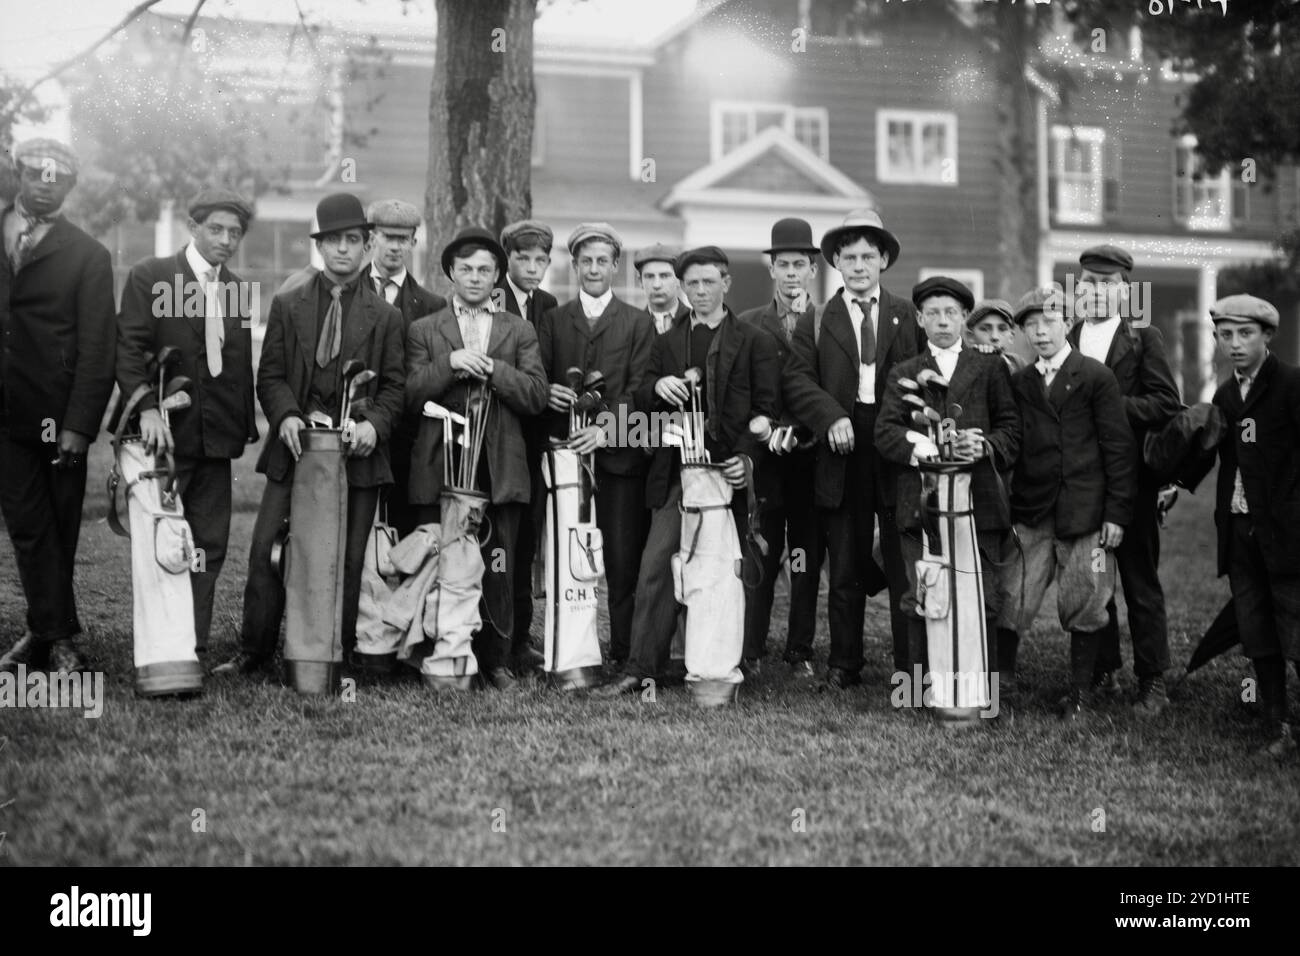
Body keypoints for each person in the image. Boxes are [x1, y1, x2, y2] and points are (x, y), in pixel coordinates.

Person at [214, 193, 406, 676]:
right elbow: (270, 374)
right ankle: (254, 651)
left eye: (353, 240)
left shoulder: (385, 317)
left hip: (356, 458)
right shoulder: (288, 301)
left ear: (366, 247)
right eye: (333, 241)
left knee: (345, 556)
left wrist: (373, 425)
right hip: (296, 450)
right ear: (319, 246)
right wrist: (287, 416)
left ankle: (330, 654)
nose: (343, 250)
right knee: (268, 551)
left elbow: (395, 388)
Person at [596, 246, 779, 696]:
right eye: (691, 283)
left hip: (729, 479)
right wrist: (658, 386)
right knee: (655, 566)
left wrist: (747, 460)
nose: (699, 291)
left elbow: (767, 412)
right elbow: (640, 400)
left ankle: (725, 665)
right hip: (678, 475)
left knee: (725, 575)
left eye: (708, 282)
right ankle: (642, 668)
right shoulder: (666, 341)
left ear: (726, 284)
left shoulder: (755, 341)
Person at [782, 209, 923, 690]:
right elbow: (797, 380)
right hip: (840, 447)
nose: (859, 265)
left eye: (868, 256)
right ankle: (845, 663)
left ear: (884, 259)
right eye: (849, 257)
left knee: (904, 563)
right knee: (844, 562)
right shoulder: (818, 319)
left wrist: (903, 427)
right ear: (836, 263)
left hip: (894, 447)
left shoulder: (907, 316)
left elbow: (920, 380)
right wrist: (831, 418)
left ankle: (911, 666)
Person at [114, 187, 260, 654]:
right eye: (215, 229)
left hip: (215, 443)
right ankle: (161, 650)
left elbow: (235, 365)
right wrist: (148, 409)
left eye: (234, 232)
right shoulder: (153, 277)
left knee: (208, 547)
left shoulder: (236, 289)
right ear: (192, 228)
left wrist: (240, 429)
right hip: (165, 443)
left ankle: (189, 648)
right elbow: (130, 348)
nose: (225, 240)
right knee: (164, 542)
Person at [405, 226, 548, 691]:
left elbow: (536, 395)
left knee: (499, 561)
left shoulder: (518, 329)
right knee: (444, 557)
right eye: (465, 269)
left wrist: (493, 369)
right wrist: (449, 365)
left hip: (499, 465)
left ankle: (497, 658)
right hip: (443, 461)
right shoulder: (425, 329)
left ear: (497, 278)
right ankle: (442, 652)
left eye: (485, 270)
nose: (474, 277)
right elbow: (409, 394)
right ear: (449, 272)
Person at [0, 139, 116, 675]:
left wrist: (78, 426)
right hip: (4, 412)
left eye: (56, 177)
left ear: (69, 186)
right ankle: (58, 636)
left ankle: (45, 635)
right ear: (18, 175)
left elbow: (99, 348)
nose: (44, 183)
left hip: (56, 416)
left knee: (60, 525)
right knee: (27, 525)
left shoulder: (89, 255)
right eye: (35, 173)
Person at [874, 276, 1020, 700]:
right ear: (919, 319)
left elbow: (1012, 430)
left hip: (979, 502)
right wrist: (918, 445)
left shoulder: (990, 367)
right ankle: (920, 691)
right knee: (924, 593)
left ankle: (981, 693)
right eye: (933, 313)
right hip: (923, 505)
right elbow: (885, 432)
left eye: (951, 313)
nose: (942, 321)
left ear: (964, 320)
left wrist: (986, 444)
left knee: (983, 596)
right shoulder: (905, 372)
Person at [998, 287, 1136, 720]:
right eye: (1030, 325)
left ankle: (1080, 691)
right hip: (1033, 510)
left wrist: (1115, 513)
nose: (1040, 332)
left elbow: (1118, 447)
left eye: (1050, 321)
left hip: (1086, 513)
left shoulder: (1095, 376)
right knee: (1011, 592)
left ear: (1068, 322)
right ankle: (1000, 682)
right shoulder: (1019, 383)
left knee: (1087, 595)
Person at [1066, 244, 1181, 713]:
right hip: (1082, 483)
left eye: (1108, 284)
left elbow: (1166, 403)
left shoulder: (1142, 338)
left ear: (1124, 291)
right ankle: (1103, 672)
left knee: (1139, 581)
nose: (1097, 291)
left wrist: (1108, 404)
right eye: (1089, 283)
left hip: (1131, 482)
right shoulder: (1068, 336)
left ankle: (1153, 680)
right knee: (1093, 579)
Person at [536, 223, 655, 669]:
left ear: (614, 266)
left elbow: (640, 389)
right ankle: (574, 652)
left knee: (623, 559)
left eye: (602, 260)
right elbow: (543, 378)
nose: (593, 268)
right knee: (569, 557)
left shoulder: (637, 322)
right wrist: (553, 395)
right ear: (574, 264)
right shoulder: (554, 320)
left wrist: (605, 429)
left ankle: (624, 653)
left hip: (619, 459)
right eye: (585, 260)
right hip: (567, 461)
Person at [1202, 295, 1300, 756]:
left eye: (1246, 334)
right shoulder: (1226, 395)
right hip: (1240, 531)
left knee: (1295, 626)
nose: (1235, 344)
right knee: (1257, 629)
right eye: (1226, 335)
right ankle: (1276, 727)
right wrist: (1172, 485)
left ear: (1267, 336)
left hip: (1287, 534)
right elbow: (1223, 455)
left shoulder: (1291, 386)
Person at [737, 217, 825, 679]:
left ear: (813, 269)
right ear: (771, 269)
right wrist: (764, 431)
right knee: (764, 553)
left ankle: (799, 651)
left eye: (800, 264)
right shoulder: (751, 323)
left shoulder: (828, 320)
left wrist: (809, 432)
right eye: (783, 264)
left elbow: (833, 390)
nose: (791, 273)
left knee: (805, 557)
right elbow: (744, 390)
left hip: (812, 461)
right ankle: (752, 649)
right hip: (767, 460)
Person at [497, 219, 558, 673]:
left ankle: (520, 638)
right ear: (508, 259)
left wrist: (551, 390)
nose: (533, 268)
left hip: (534, 438)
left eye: (541, 260)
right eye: (524, 258)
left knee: (526, 541)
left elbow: (547, 365)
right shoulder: (491, 298)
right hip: (497, 433)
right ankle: (493, 640)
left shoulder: (548, 305)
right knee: (499, 540)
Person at [366, 199, 446, 538]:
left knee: (402, 538)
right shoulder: (345, 291)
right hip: (357, 431)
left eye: (404, 238)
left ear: (414, 243)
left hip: (406, 439)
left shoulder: (431, 305)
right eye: (388, 236)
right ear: (371, 239)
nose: (396, 246)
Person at [634, 243, 689, 334]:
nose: (657, 285)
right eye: (650, 276)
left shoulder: (696, 322)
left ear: (679, 280)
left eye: (664, 276)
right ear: (640, 281)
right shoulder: (630, 326)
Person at [967, 299, 1024, 373]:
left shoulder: (1018, 364)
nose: (994, 337)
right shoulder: (960, 366)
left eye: (1002, 329)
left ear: (1011, 337)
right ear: (971, 336)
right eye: (984, 329)